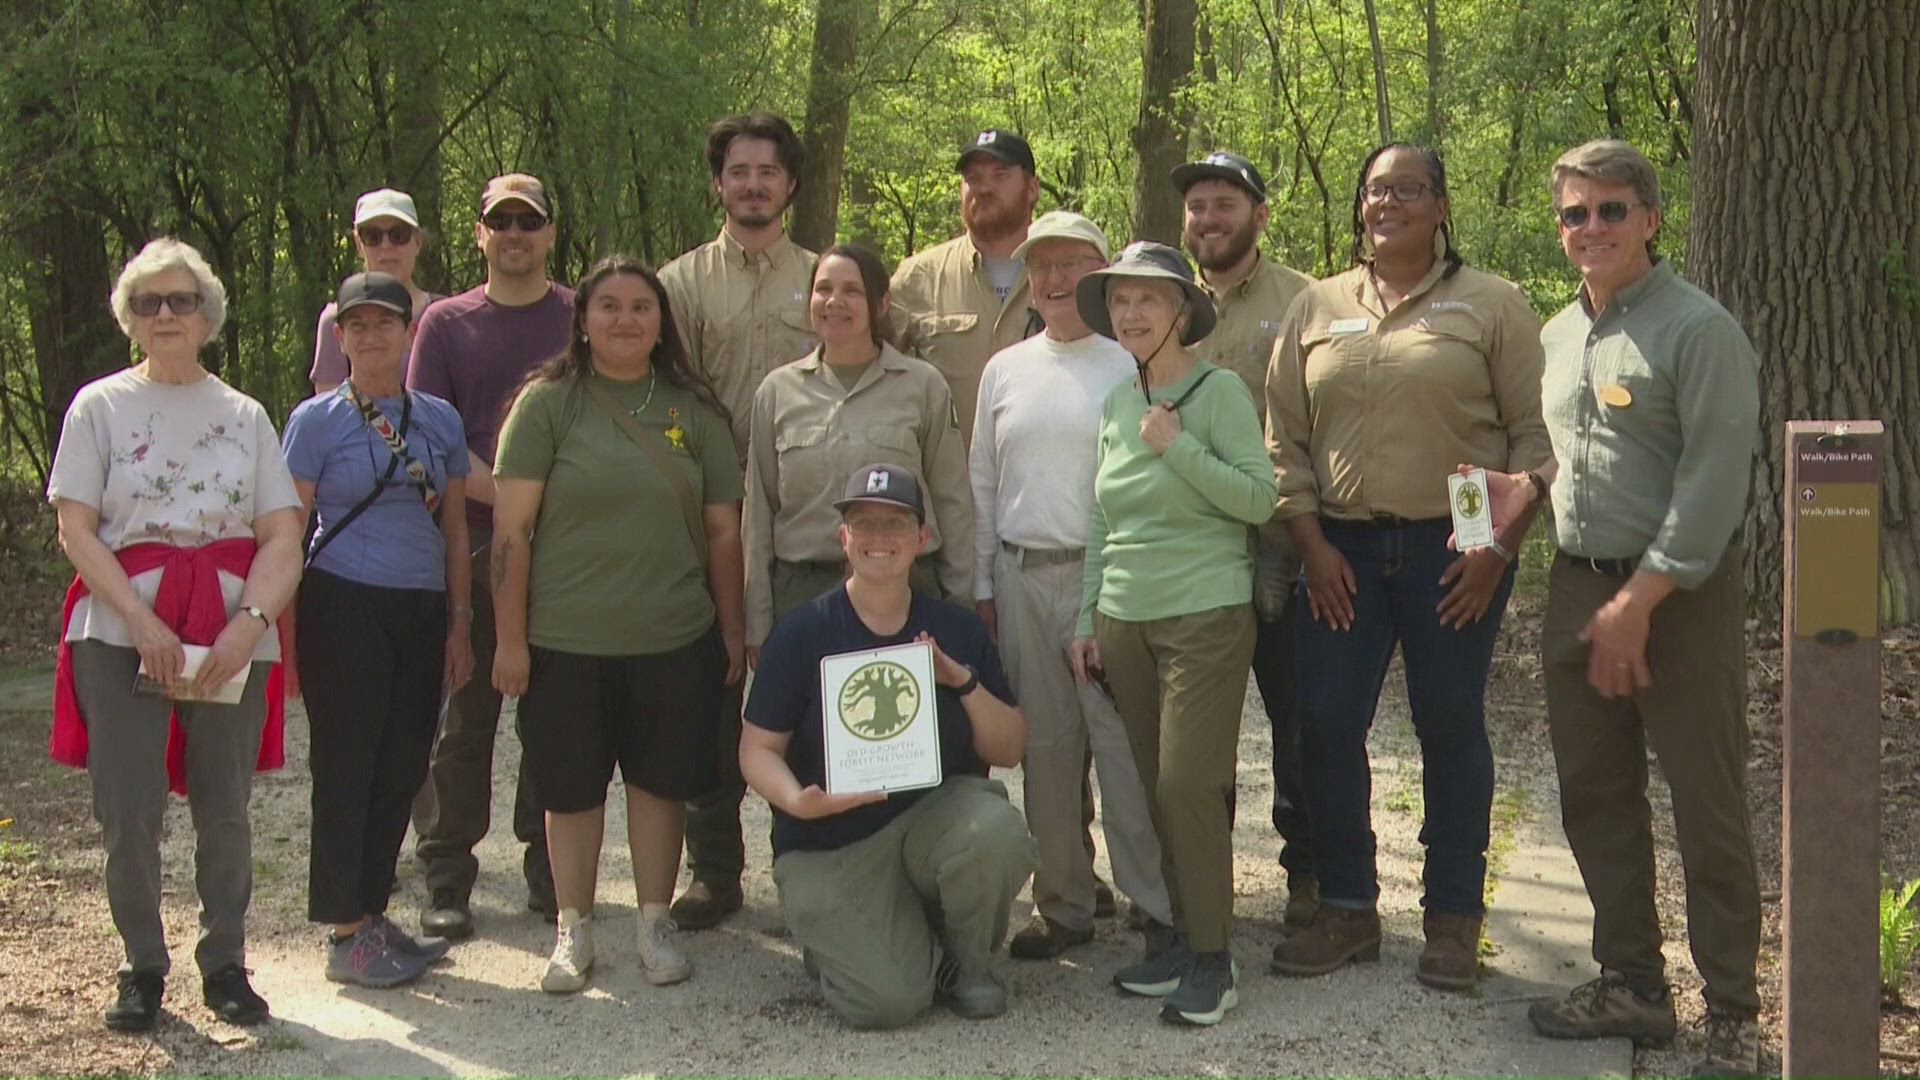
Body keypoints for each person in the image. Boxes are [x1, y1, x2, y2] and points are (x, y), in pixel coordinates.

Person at [1504, 139, 1762, 1077]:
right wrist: (1521, 492)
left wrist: (1640, 600)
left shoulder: (1699, 330)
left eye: (1612, 210)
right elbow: (1575, 457)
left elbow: (1711, 482)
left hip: (1678, 596)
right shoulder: (1559, 332)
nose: (1592, 228)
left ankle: (1734, 1010)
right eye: (1575, 213)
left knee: (1705, 799)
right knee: (1594, 794)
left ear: (1652, 219)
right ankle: (1633, 985)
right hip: (1578, 584)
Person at [1265, 143, 1549, 992]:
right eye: (1377, 189)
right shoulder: (1316, 306)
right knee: (1324, 719)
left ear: (1440, 205)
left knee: (1450, 722)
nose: (1390, 202)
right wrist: (1310, 545)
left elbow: (1536, 443)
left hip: (1456, 539)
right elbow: (1285, 438)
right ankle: (1347, 908)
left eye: (1410, 189)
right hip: (1338, 547)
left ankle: (1454, 918)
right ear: (1360, 206)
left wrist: (1496, 552)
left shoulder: (1492, 304)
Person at [47, 238, 303, 1030]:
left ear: (206, 316)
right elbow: (76, 528)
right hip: (121, 626)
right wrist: (140, 619)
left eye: (181, 301)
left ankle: (225, 962)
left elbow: (282, 536)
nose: (165, 314)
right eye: (149, 302)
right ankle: (141, 968)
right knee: (129, 808)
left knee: (225, 808)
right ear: (129, 316)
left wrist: (248, 627)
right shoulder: (98, 406)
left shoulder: (244, 414)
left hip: (230, 627)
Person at [490, 256, 745, 993]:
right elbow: (511, 533)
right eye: (609, 306)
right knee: (569, 790)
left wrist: (730, 631)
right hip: (564, 641)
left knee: (660, 784)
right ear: (583, 319)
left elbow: (724, 532)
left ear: (662, 321)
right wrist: (509, 640)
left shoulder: (694, 412)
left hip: (672, 635)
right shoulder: (546, 406)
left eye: (641, 306)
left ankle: (653, 923)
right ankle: (575, 928)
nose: (626, 319)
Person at [740, 463, 1035, 1028]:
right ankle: (847, 940)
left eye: (896, 525)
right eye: (864, 524)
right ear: (843, 538)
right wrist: (797, 799)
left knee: (994, 831)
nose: (880, 539)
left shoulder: (955, 628)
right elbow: (756, 749)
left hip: (927, 823)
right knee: (888, 1004)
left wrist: (962, 682)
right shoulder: (801, 633)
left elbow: (1012, 745)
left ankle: (966, 966)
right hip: (829, 841)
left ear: (922, 539)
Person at [1068, 241, 1277, 1026]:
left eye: (1147, 300)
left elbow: (1259, 502)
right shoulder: (1116, 404)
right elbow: (1102, 519)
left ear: (1181, 312)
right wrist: (1088, 617)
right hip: (1126, 618)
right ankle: (1182, 942)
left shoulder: (1219, 392)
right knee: (1154, 784)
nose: (1130, 314)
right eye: (1119, 301)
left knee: (1189, 782)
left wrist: (1178, 446)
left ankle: (1215, 960)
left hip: (1205, 614)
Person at [968, 211, 1172, 961]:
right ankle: (1065, 903)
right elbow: (983, 483)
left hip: (1112, 576)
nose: (1055, 280)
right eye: (1041, 265)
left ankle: (1155, 905)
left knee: (1121, 745)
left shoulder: (1132, 362)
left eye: (1072, 264)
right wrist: (982, 583)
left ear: (1103, 274)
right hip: (1022, 575)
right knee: (1047, 751)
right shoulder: (1005, 368)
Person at [282, 272, 472, 988]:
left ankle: (373, 910)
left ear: (408, 332)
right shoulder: (315, 421)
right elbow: (289, 534)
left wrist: (461, 623)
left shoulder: (440, 421)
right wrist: (287, 635)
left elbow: (455, 529)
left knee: (402, 764)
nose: (370, 336)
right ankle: (343, 929)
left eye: (384, 323)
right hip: (343, 604)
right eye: (355, 325)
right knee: (346, 766)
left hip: (420, 607)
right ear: (339, 337)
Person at [658, 110, 817, 931]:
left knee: (802, 692)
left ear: (790, 184)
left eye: (768, 172)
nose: (753, 185)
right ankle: (714, 870)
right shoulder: (679, 284)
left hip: (804, 521)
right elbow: (668, 397)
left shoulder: (824, 280)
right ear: (718, 183)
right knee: (712, 692)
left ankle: (813, 867)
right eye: (738, 172)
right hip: (710, 516)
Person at [406, 173, 573, 940]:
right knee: (464, 716)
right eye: (499, 220)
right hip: (469, 539)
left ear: (548, 232)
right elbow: (429, 436)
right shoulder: (444, 323)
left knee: (554, 713)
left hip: (565, 542)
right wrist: (507, 501)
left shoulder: (581, 316)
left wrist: (535, 510)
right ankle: (446, 877)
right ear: (478, 233)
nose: (513, 233)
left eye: (527, 221)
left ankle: (551, 869)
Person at [1173, 150, 1318, 927]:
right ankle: (1200, 883)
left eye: (1225, 203)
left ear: (1260, 215)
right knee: (1197, 730)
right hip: (1191, 548)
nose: (1209, 218)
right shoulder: (1159, 301)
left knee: (1298, 719)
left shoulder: (1304, 300)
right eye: (1198, 205)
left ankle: (1309, 877)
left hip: (1280, 543)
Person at [744, 244, 972, 656]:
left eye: (851, 290)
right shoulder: (776, 392)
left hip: (905, 589)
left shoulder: (922, 386)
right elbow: (759, 514)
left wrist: (959, 609)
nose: (834, 301)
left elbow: (952, 502)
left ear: (880, 303)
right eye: (823, 289)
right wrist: (757, 621)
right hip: (803, 594)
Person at [890, 129, 1043, 439]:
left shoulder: (1066, 276)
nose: (984, 188)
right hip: (948, 484)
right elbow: (870, 376)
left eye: (1000, 175)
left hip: (1041, 480)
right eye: (973, 177)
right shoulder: (918, 277)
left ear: (1032, 188)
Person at [310, 188, 442, 394]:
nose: (386, 246)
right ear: (358, 244)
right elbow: (328, 415)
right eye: (372, 236)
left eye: (399, 235)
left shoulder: (445, 316)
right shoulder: (336, 320)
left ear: (418, 242)